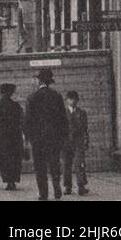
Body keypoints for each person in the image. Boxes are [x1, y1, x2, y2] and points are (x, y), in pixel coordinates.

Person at [23, 68, 68, 200]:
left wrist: (28, 137)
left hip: (38, 140)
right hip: (54, 138)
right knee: (54, 164)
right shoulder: (57, 96)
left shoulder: (32, 97)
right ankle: (57, 188)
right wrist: (62, 137)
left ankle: (43, 194)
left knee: (40, 167)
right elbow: (63, 119)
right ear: (49, 82)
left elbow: (27, 121)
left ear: (39, 81)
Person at [0, 83, 24, 191]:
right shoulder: (16, 106)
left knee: (3, 158)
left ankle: (7, 180)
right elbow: (21, 119)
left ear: (2, 93)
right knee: (14, 158)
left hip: (1, 137)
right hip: (15, 137)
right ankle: (13, 180)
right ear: (11, 93)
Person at [63, 91, 90, 196]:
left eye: (74, 99)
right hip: (66, 143)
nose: (72, 101)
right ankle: (67, 187)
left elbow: (85, 128)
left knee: (79, 164)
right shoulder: (62, 113)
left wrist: (86, 140)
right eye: (70, 98)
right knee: (66, 165)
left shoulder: (82, 113)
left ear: (77, 100)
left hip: (78, 142)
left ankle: (81, 186)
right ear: (67, 100)